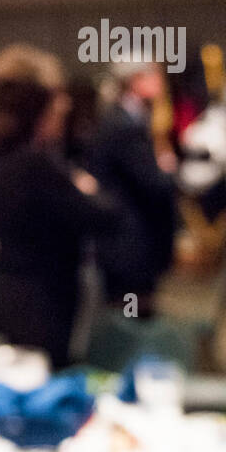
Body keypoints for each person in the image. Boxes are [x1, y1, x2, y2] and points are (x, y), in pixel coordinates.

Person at [0, 48, 119, 367]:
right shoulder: (37, 164)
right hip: (39, 307)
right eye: (58, 98)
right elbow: (105, 217)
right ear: (38, 107)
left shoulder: (0, 156)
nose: (66, 105)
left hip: (9, 296)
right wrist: (89, 187)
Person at [88, 60, 179, 315]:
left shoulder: (127, 118)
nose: (161, 83)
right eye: (155, 76)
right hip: (130, 243)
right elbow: (154, 184)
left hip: (126, 240)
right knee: (130, 321)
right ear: (136, 80)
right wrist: (169, 171)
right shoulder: (125, 125)